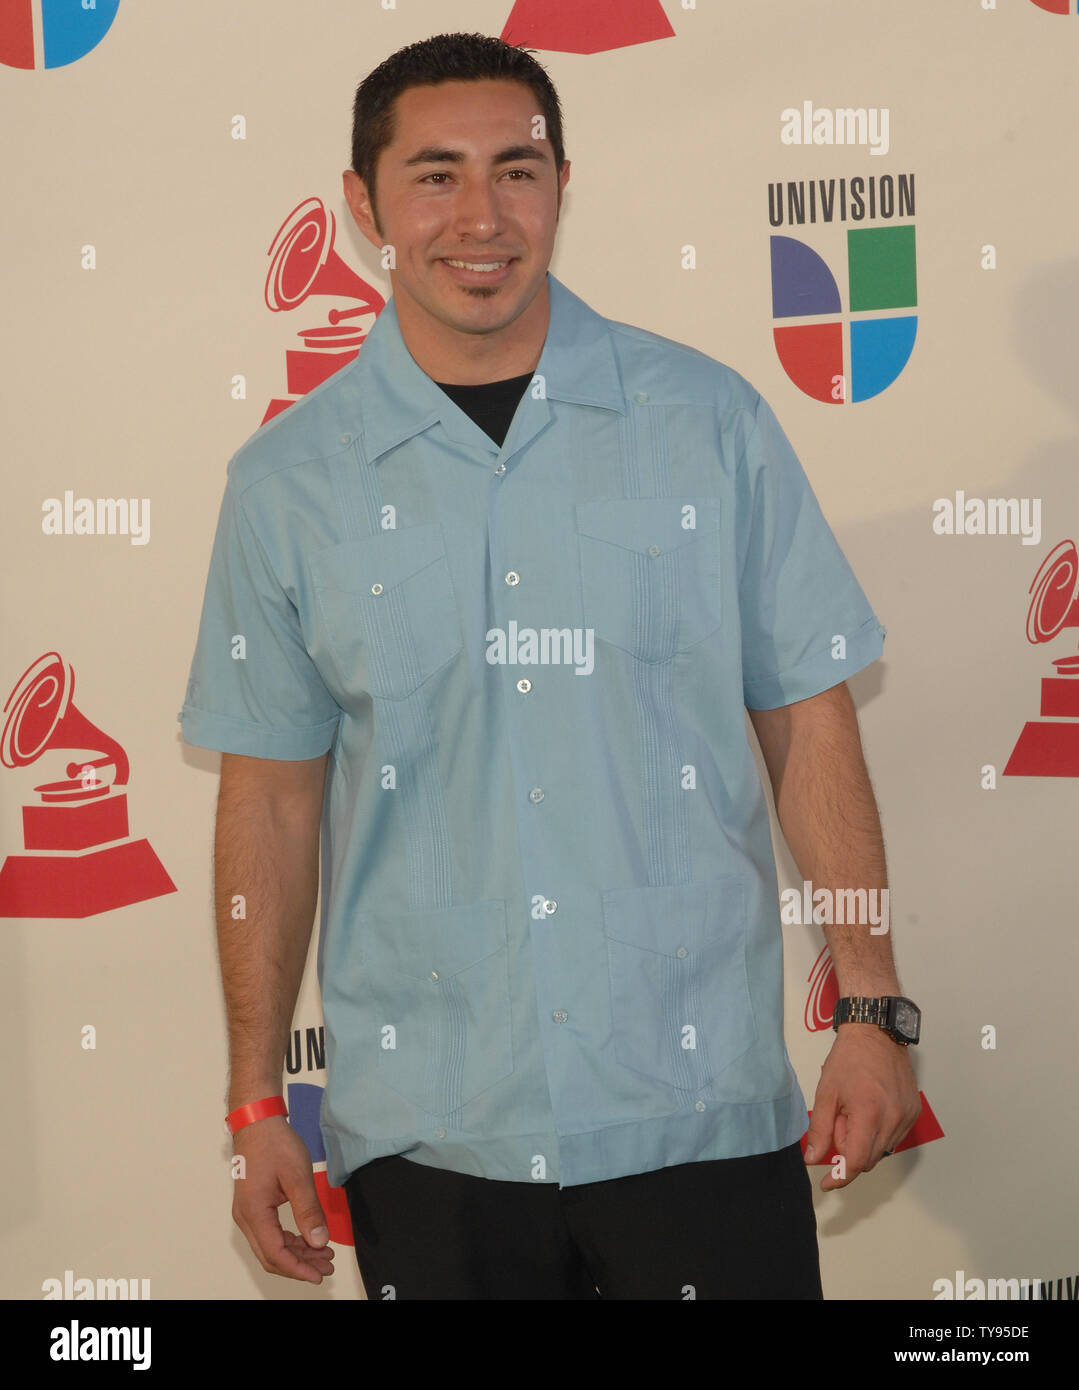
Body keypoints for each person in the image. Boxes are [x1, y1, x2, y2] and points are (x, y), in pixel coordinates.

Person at [179, 31, 922, 1300]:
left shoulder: (708, 423)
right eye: (434, 175)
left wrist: (870, 1007)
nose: (481, 215)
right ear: (363, 207)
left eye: (515, 169)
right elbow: (269, 794)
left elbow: (806, 722)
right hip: (431, 1138)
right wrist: (258, 1098)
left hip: (698, 1115)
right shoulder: (287, 486)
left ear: (562, 186)